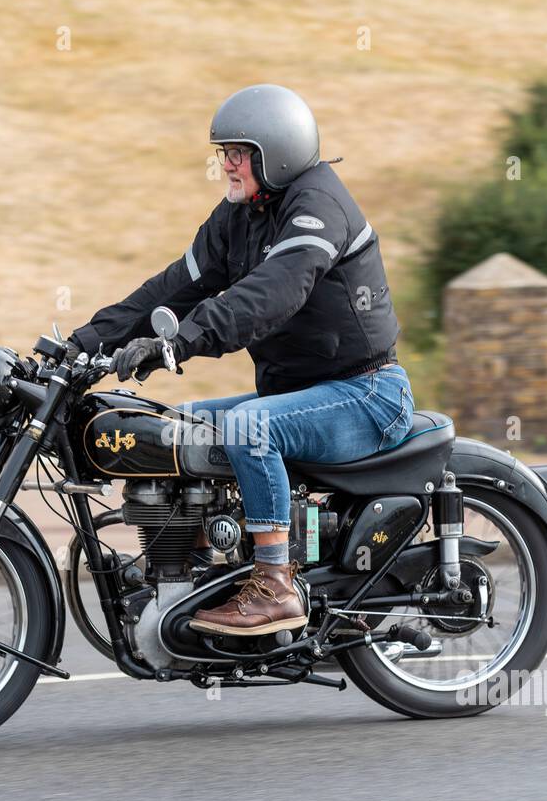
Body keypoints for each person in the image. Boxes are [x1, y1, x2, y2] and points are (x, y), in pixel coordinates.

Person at [69, 84, 412, 636]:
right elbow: (172, 287)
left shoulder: (317, 206)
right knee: (178, 427)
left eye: (238, 152)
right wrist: (83, 344)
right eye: (222, 152)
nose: (226, 164)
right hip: (299, 394)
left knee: (249, 427)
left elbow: (273, 294)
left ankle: (275, 582)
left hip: (367, 392)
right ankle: (197, 569)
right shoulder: (241, 214)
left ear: (275, 151)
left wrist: (180, 342)